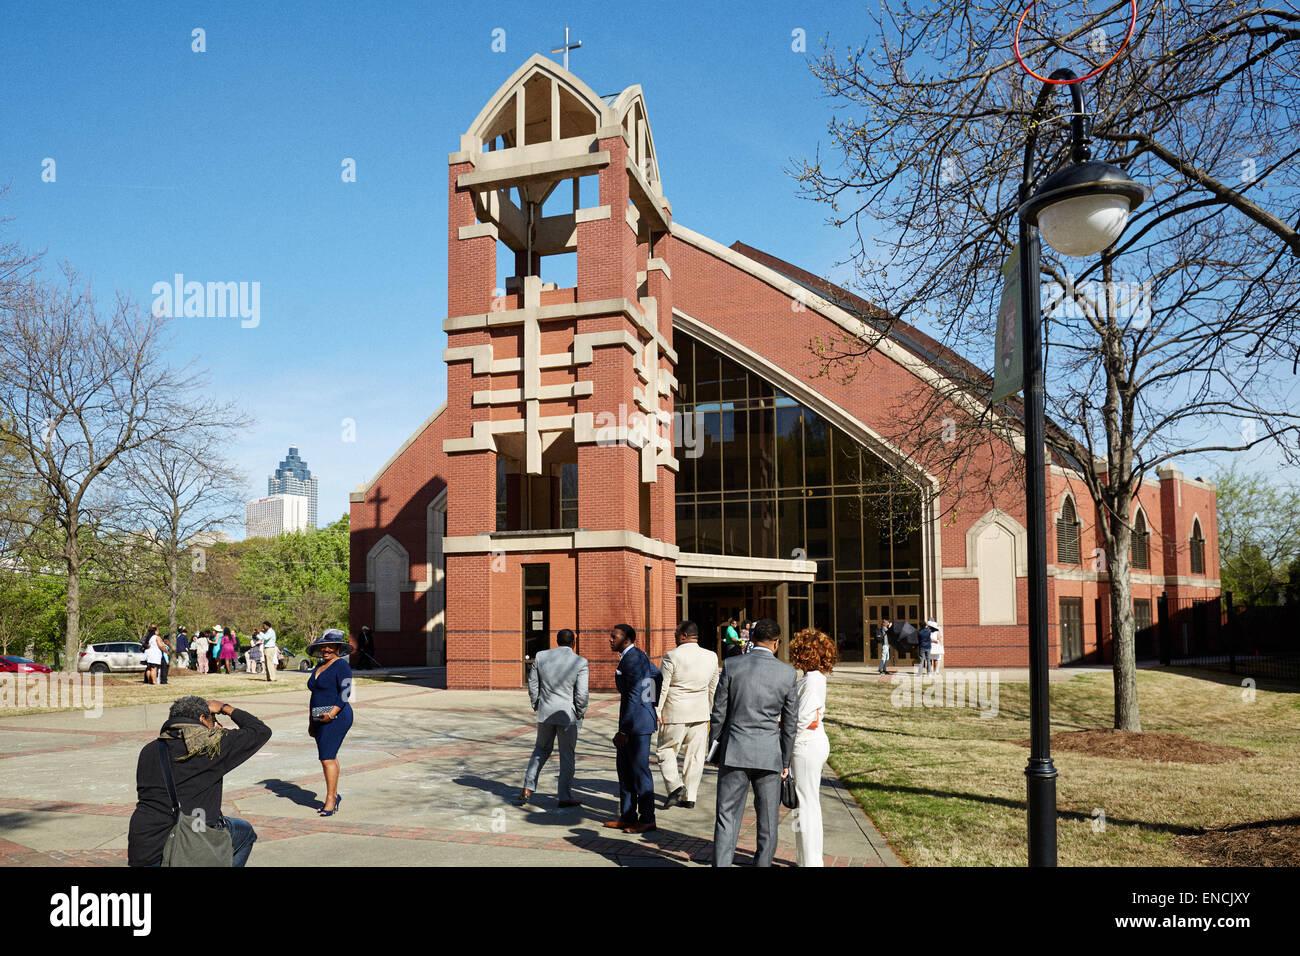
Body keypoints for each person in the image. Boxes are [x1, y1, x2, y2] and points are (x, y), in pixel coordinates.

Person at [127, 695, 271, 867]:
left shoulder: (150, 749)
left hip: (143, 844)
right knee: (245, 833)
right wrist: (225, 707)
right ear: (203, 719)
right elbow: (260, 731)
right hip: (189, 840)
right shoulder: (210, 747)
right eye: (213, 719)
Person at [708, 617, 798, 867]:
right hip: (770, 754)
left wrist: (714, 748)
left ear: (752, 638)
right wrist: (786, 760)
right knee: (768, 822)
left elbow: (718, 713)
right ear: (777, 643)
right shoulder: (788, 673)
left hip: (735, 750)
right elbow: (791, 724)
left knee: (727, 817)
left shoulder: (732, 665)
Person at [519, 628, 588, 808]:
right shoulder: (580, 662)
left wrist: (536, 703)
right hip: (568, 714)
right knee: (566, 755)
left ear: (556, 641)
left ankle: (527, 787)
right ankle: (564, 796)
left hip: (546, 711)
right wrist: (580, 712)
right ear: (573, 643)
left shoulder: (541, 656)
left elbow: (532, 683)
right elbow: (582, 694)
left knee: (540, 749)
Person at [656, 620, 719, 810]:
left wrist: (657, 710)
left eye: (676, 633)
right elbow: (713, 687)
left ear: (683, 635)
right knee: (695, 756)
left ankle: (675, 786)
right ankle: (690, 797)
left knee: (666, 749)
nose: (674, 636)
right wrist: (709, 710)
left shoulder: (671, 656)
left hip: (675, 712)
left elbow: (663, 687)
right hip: (700, 712)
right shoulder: (711, 656)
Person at [604, 623, 660, 834]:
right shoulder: (635, 656)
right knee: (625, 771)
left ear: (626, 640)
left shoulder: (633, 659)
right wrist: (651, 703)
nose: (610, 639)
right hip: (635, 721)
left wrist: (625, 730)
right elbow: (656, 676)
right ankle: (628, 815)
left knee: (639, 772)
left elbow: (634, 695)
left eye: (614, 636)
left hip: (636, 726)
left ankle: (647, 819)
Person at [789, 627, 837, 867]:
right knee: (807, 804)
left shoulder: (812, 681)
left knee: (806, 806)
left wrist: (786, 748)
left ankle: (810, 861)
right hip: (811, 743)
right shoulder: (813, 679)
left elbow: (804, 719)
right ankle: (808, 859)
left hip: (806, 746)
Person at [307, 630, 354, 816]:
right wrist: (311, 722)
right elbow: (314, 696)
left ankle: (330, 799)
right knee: (329, 757)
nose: (325, 649)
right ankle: (334, 794)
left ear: (338, 648)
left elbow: (346, 692)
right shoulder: (319, 666)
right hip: (318, 717)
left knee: (326, 758)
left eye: (330, 646)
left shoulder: (341, 666)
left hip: (337, 715)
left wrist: (332, 714)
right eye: (323, 646)